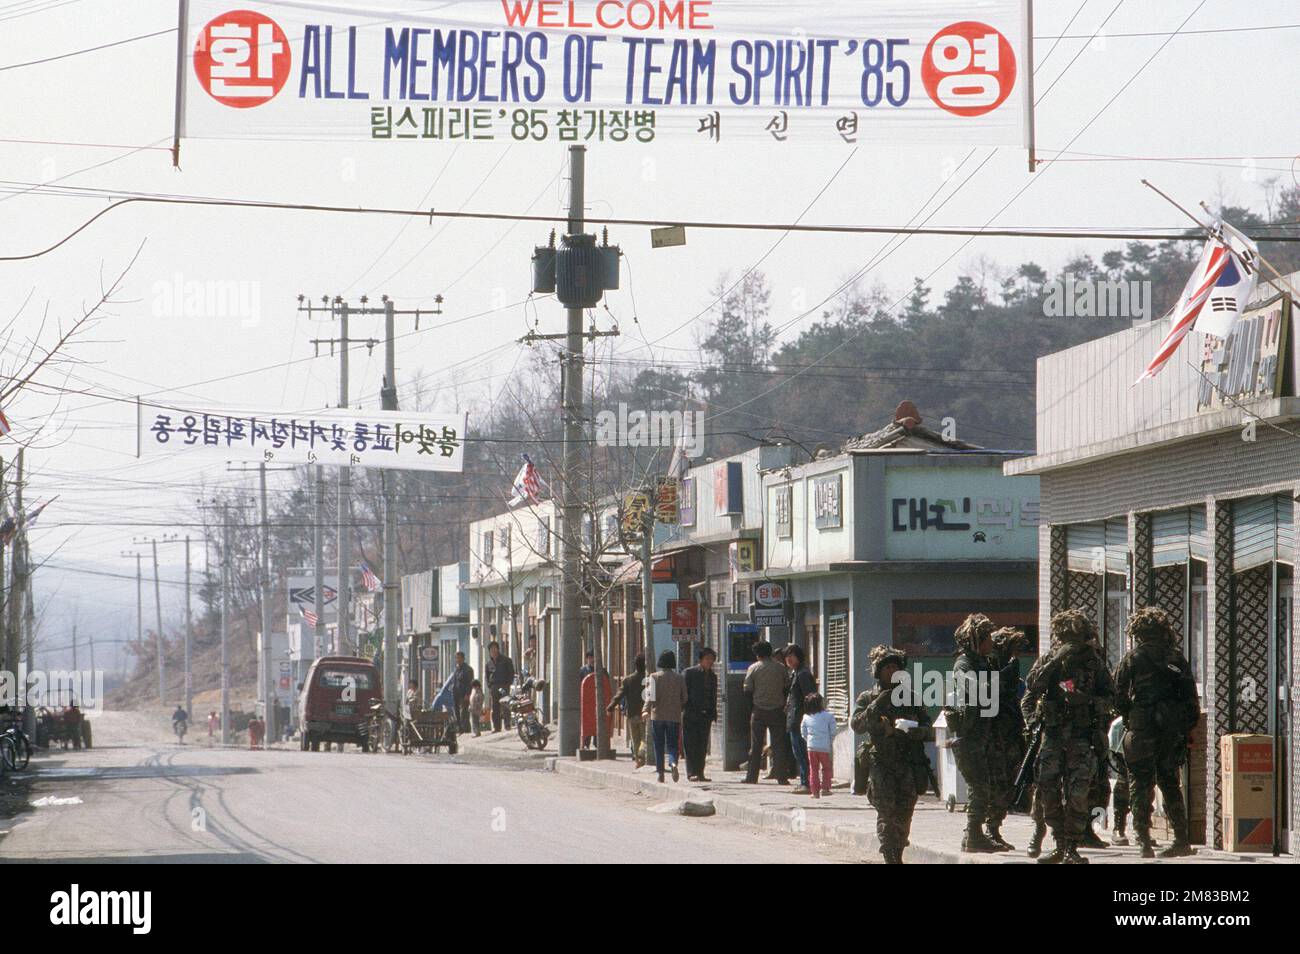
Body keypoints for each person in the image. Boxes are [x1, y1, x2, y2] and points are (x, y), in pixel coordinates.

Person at [1022, 608, 1114, 864]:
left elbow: (1111, 698)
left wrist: (1088, 701)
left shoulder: (1093, 662)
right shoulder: (1049, 659)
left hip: (1081, 737)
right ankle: (1059, 843)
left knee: (1078, 792)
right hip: (1052, 737)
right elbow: (1031, 686)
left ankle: (1072, 846)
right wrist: (1053, 662)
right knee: (1047, 790)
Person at [1113, 607, 1199, 859]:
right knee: (1170, 782)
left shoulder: (1132, 658)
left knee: (1139, 784)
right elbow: (1191, 698)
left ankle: (1143, 841)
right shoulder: (1176, 659)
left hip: (1140, 730)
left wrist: (1130, 715)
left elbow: (1118, 695)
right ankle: (1181, 839)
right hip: (1170, 732)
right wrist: (1185, 728)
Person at [851, 646, 933, 864]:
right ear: (878, 671)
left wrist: (920, 731)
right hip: (881, 762)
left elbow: (928, 726)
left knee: (905, 810)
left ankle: (898, 850)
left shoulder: (910, 697)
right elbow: (856, 725)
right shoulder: (868, 697)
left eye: (895, 667)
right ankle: (890, 854)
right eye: (887, 667)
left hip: (907, 761)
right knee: (886, 811)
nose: (891, 671)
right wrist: (877, 705)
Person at [945, 613, 1004, 853]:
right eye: (987, 638)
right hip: (968, 736)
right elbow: (974, 688)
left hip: (982, 734)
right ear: (976, 641)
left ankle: (974, 834)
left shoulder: (985, 662)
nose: (991, 642)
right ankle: (973, 836)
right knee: (978, 787)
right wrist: (992, 684)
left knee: (983, 786)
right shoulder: (964, 663)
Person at [987, 626, 1029, 850]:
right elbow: (988, 693)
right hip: (995, 736)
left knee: (1011, 783)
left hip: (1011, 732)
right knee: (997, 784)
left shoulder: (1010, 668)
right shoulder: (989, 667)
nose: (1016, 655)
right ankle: (989, 829)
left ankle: (995, 828)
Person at [742, 641, 792, 785]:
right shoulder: (781, 668)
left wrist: (752, 707)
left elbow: (747, 690)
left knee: (756, 745)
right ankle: (782, 776)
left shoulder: (753, 668)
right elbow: (786, 687)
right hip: (777, 710)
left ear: (757, 654)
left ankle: (751, 777)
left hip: (759, 710)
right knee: (779, 745)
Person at [643, 650, 685, 783]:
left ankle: (660, 772)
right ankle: (673, 763)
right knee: (672, 744)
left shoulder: (654, 677)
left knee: (659, 745)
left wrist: (645, 710)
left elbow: (649, 696)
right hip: (674, 716)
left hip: (658, 716)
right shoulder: (679, 678)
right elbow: (685, 697)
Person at [783, 644, 818, 795]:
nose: (789, 659)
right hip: (794, 718)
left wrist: (807, 717)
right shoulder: (795, 673)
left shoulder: (803, 674)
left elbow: (810, 697)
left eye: (792, 655)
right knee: (799, 752)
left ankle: (807, 783)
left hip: (800, 720)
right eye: (787, 656)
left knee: (802, 752)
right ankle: (805, 781)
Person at [682, 647, 718, 781]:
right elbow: (683, 694)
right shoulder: (689, 673)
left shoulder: (713, 676)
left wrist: (713, 712)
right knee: (690, 744)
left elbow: (713, 695)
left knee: (702, 745)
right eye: (707, 659)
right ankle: (691, 772)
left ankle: (700, 772)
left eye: (712, 659)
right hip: (691, 714)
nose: (710, 662)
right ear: (701, 659)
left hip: (706, 715)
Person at [608, 654, 647, 767]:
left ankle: (638, 760)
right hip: (645, 714)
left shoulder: (628, 680)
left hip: (632, 714)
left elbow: (619, 695)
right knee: (644, 739)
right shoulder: (649, 679)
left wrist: (610, 707)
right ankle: (641, 754)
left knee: (635, 739)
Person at [800, 693, 837, 799]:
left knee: (813, 769)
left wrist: (808, 740)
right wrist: (830, 740)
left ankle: (814, 792)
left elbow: (803, 732)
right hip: (825, 747)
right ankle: (825, 788)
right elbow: (833, 730)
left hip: (811, 747)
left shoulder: (806, 717)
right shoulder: (828, 716)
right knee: (826, 768)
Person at [1107, 713, 1133, 846]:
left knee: (1146, 782)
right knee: (1124, 780)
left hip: (1147, 725)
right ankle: (1119, 827)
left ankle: (1143, 829)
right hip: (1124, 727)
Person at [485, 641, 515, 732]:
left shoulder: (506, 660)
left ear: (498, 649)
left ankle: (507, 724)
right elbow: (487, 676)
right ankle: (497, 727)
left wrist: (508, 684)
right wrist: (490, 686)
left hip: (504, 685)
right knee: (495, 707)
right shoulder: (489, 663)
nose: (493, 651)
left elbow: (511, 673)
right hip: (494, 687)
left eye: (495, 648)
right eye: (491, 649)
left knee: (505, 705)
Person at [453, 651, 475, 734]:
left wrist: (468, 694)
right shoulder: (457, 669)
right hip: (456, 694)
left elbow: (470, 683)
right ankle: (460, 727)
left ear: (463, 658)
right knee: (457, 712)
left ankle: (465, 728)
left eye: (459, 658)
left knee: (464, 712)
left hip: (464, 694)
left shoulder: (468, 669)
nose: (457, 660)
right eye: (456, 658)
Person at [579, 651, 596, 747]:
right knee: (586, 722)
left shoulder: (600, 670)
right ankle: (586, 743)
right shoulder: (582, 671)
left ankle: (597, 742)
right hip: (586, 701)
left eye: (593, 657)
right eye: (590, 658)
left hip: (596, 701)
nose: (592, 660)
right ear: (587, 659)